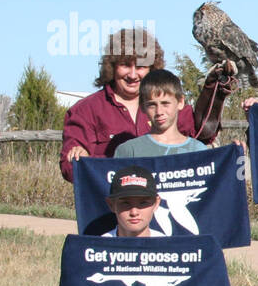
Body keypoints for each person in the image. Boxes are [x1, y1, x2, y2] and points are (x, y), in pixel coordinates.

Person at [114, 68, 227, 286]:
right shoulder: (128, 150)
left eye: (165, 102)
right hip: (145, 257)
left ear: (181, 103)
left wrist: (233, 161)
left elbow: (218, 201)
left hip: (192, 258)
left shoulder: (198, 150)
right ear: (142, 109)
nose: (158, 111)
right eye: (150, 104)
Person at [60, 28, 200, 182]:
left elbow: (202, 133)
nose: (133, 75)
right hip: (111, 202)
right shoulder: (86, 110)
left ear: (151, 69)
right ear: (112, 67)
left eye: (140, 67)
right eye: (125, 65)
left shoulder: (171, 105)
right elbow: (70, 170)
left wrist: (216, 91)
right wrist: (80, 159)